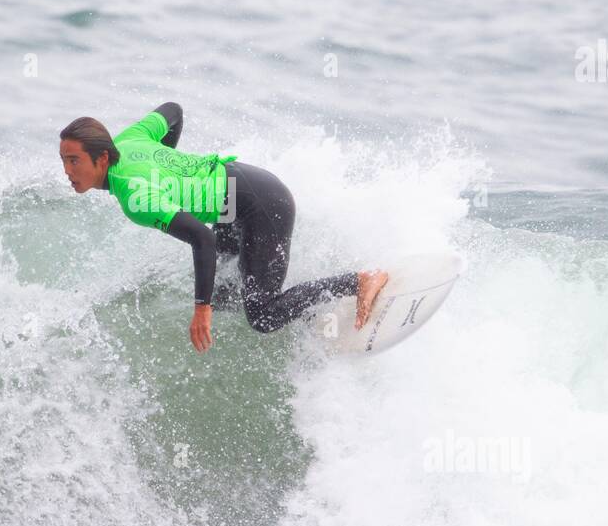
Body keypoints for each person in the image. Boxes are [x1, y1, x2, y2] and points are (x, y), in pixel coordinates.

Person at [59, 103, 389, 353]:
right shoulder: (128, 139)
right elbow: (173, 111)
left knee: (262, 316)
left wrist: (200, 311)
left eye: (74, 160)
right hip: (238, 194)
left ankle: (359, 280)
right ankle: (313, 309)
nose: (67, 170)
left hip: (261, 204)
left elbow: (202, 238)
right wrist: (168, 169)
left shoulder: (136, 197)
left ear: (102, 159)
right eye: (64, 160)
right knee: (225, 294)